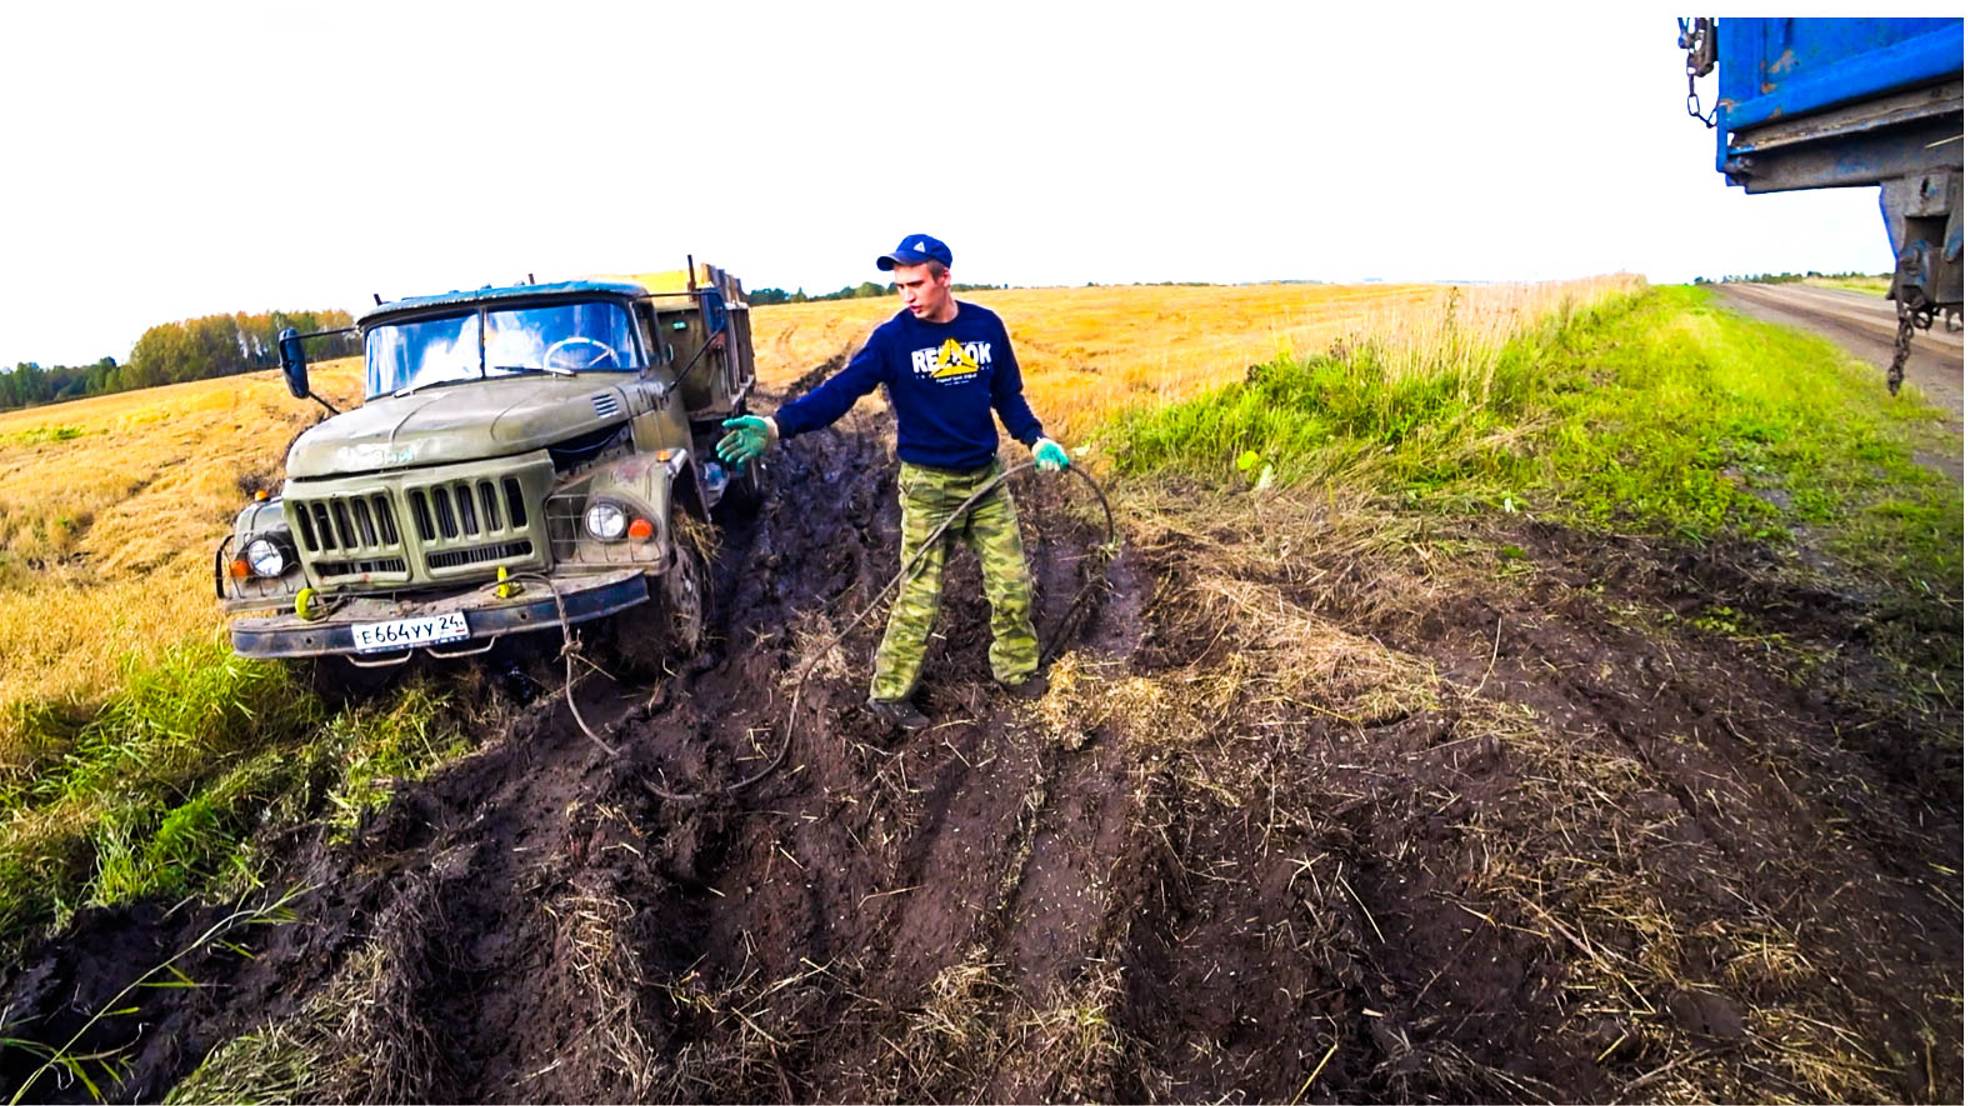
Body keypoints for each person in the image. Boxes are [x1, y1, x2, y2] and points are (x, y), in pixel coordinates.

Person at [716, 233, 1071, 731]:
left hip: (986, 484)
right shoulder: (892, 340)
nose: (906, 295)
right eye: (899, 285)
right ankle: (889, 694)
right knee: (920, 597)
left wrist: (1036, 440)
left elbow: (1007, 396)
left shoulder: (986, 328)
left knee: (1012, 586)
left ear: (944, 278)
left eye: (915, 284)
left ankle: (1014, 670)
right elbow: (840, 392)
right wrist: (777, 426)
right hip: (927, 487)